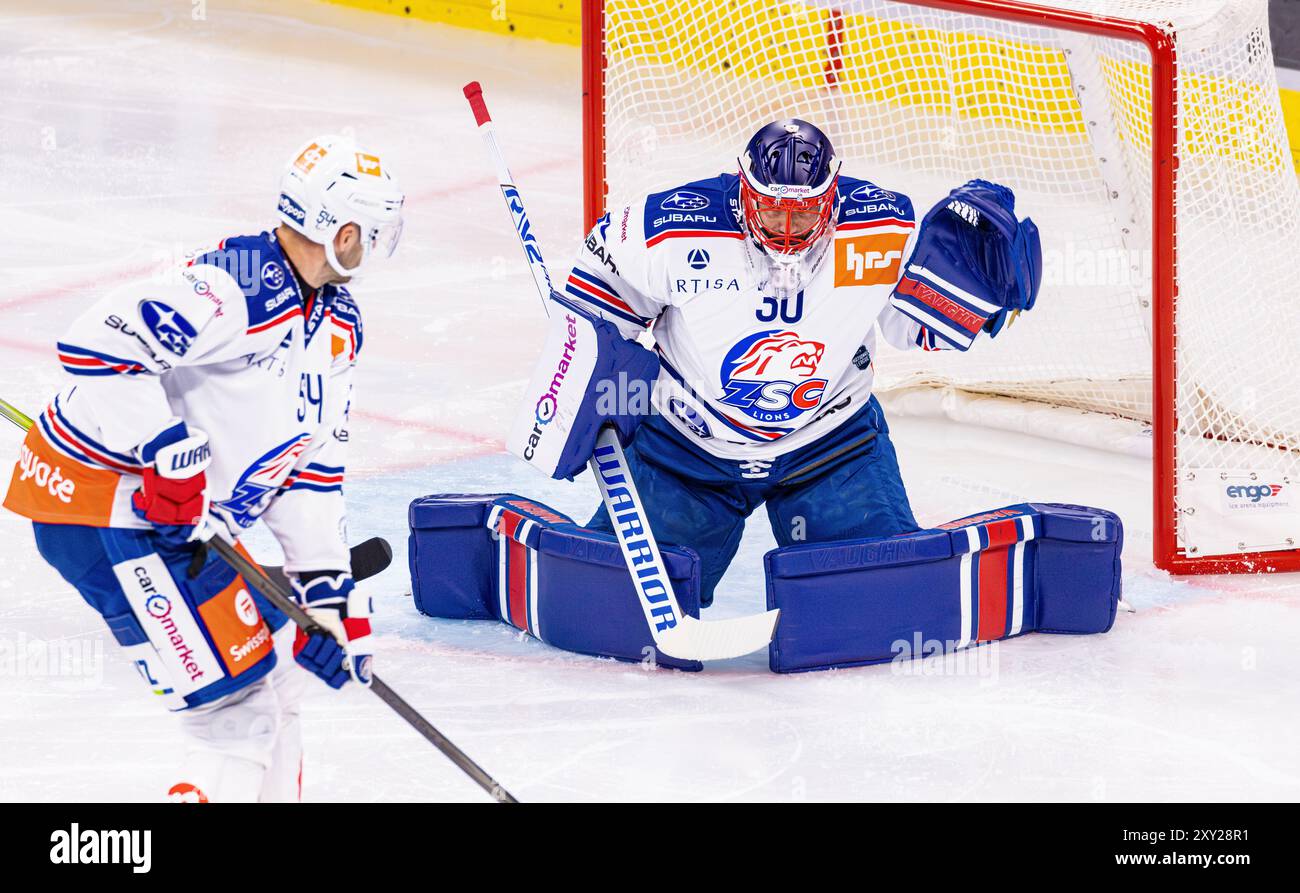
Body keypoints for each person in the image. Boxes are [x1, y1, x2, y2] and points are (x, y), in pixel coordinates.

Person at [4, 135, 405, 801]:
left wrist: (328, 592)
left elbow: (308, 470)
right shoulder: (236, 287)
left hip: (178, 529)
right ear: (338, 228)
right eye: (372, 230)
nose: (377, 247)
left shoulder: (336, 325)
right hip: (104, 510)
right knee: (234, 720)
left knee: (277, 674)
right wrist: (161, 446)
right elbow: (95, 340)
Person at [512, 119, 1040, 606]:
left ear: (831, 198)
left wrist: (980, 303)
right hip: (688, 450)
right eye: (773, 209)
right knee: (611, 604)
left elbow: (910, 326)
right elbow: (602, 278)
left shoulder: (880, 227)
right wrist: (588, 367)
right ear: (744, 194)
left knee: (877, 600)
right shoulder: (671, 226)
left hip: (831, 446)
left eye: (806, 211)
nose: (788, 227)